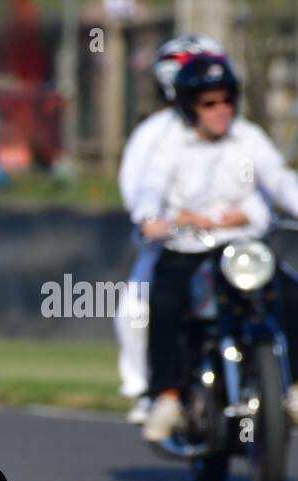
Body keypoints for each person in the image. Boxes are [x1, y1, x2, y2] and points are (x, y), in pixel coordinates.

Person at [133, 55, 298, 441]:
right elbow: (150, 188)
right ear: (191, 107)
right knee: (165, 301)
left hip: (240, 250)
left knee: (291, 296)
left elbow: (279, 179)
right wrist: (150, 217)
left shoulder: (249, 137)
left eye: (226, 101)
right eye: (209, 103)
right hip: (186, 248)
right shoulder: (169, 144)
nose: (221, 111)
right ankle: (167, 395)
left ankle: (292, 388)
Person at [115, 33, 226, 424]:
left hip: (231, 242)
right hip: (173, 243)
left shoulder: (232, 126)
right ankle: (150, 392)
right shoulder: (155, 133)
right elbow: (137, 191)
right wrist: (155, 221)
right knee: (136, 309)